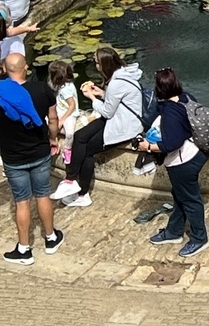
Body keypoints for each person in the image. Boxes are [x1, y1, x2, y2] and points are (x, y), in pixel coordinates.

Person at [0, 51, 62, 264]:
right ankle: (51, 238)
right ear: (26, 68)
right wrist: (53, 139)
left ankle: (24, 249)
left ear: (6, 70)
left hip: (13, 156)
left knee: (22, 201)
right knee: (43, 194)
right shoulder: (42, 89)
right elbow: (53, 119)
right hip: (40, 151)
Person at [52, 47, 145, 208]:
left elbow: (107, 112)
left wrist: (92, 97)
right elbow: (116, 100)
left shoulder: (116, 83)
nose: (95, 65)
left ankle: (81, 191)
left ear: (104, 64)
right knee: (80, 136)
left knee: (87, 149)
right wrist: (102, 93)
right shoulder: (123, 73)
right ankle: (71, 181)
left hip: (123, 126)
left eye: (96, 62)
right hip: (118, 117)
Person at [135, 67, 209, 258]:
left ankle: (199, 239)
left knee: (191, 200)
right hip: (199, 152)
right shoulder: (187, 97)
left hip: (183, 162)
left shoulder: (170, 112)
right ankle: (174, 231)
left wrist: (147, 147)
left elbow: (171, 144)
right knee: (180, 195)